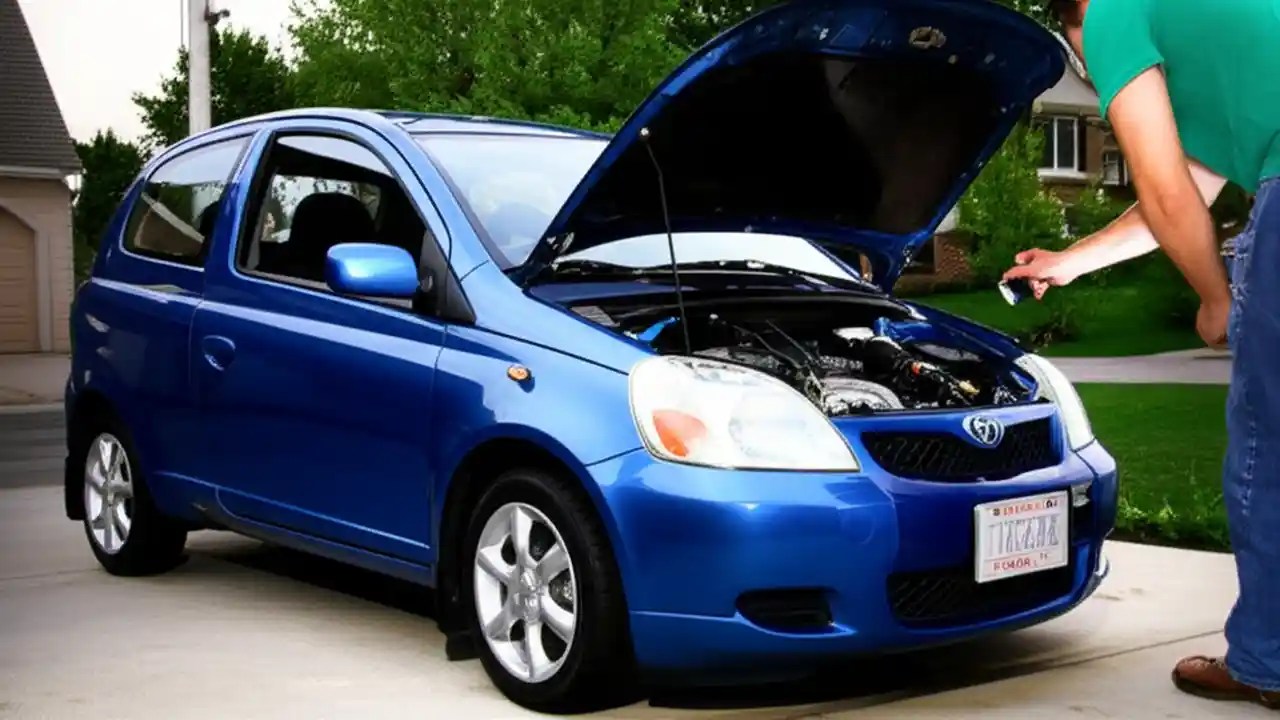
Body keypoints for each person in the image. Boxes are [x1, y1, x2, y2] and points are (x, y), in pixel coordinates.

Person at [1003, 0, 1280, 709]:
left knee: (1267, 453)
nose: (1100, 78)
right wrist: (1069, 261)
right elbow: (1191, 182)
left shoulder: (1110, 10)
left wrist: (1216, 297)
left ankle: (1266, 660)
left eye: (1090, 69)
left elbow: (1161, 186)